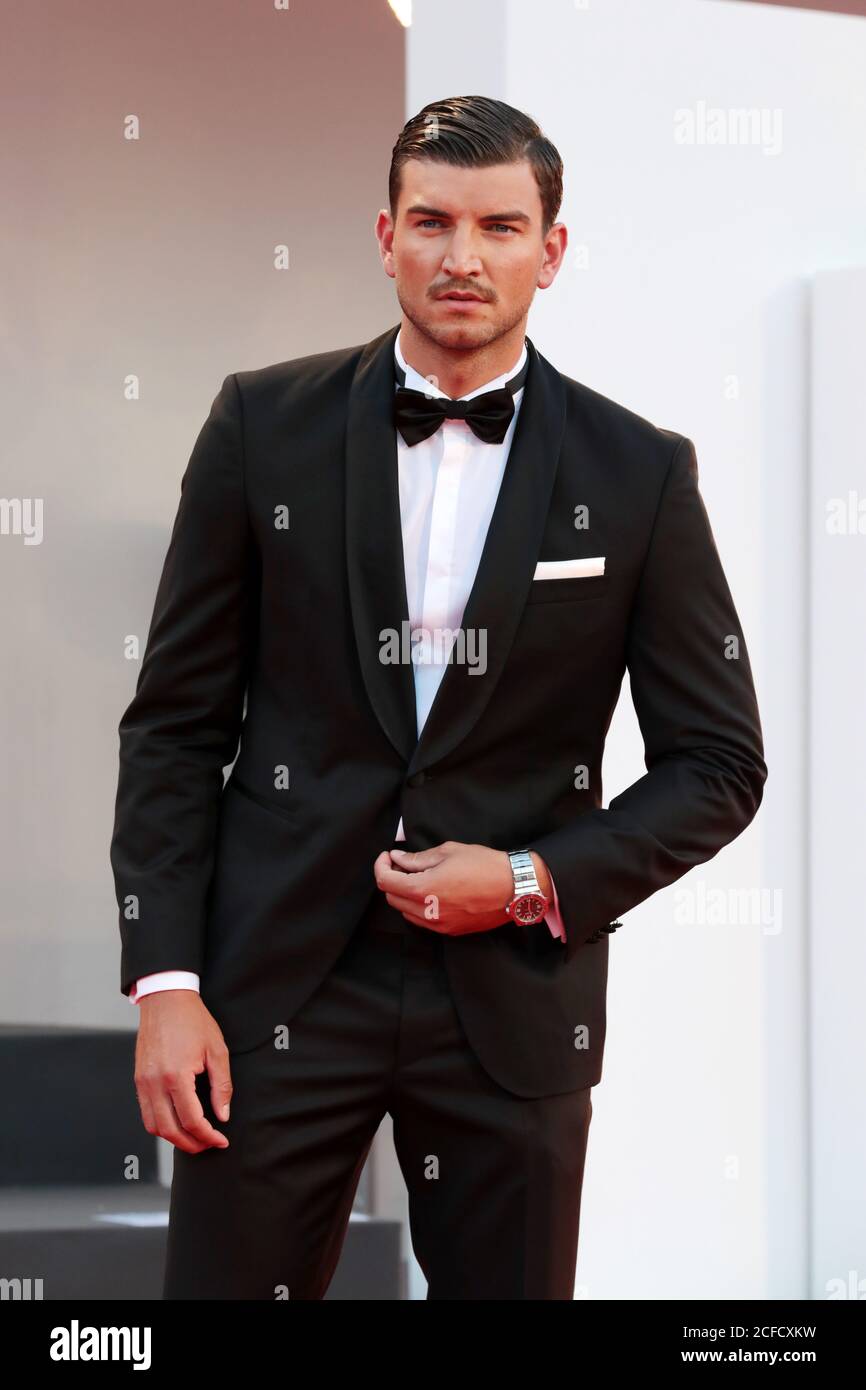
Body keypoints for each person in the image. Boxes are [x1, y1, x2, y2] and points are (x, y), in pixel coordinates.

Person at [110, 94, 767, 1300]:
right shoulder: (262, 425)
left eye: (500, 226)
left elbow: (718, 765)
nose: (463, 258)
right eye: (432, 221)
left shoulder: (640, 471)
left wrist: (527, 881)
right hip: (272, 993)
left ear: (550, 250)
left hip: (511, 1009)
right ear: (385, 234)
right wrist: (166, 986)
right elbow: (174, 725)